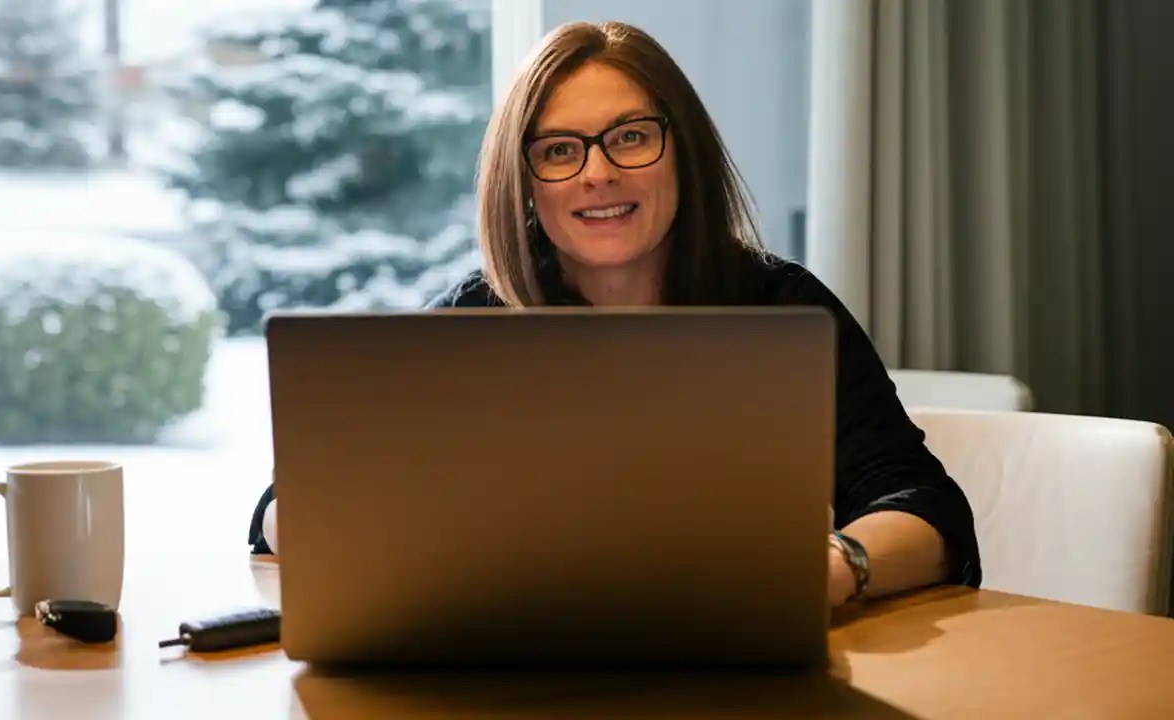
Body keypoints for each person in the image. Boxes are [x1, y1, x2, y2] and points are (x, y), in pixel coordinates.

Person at [247, 20, 982, 609]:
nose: (598, 173)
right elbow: (282, 508)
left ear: (682, 151)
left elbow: (928, 510)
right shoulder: (478, 318)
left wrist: (835, 566)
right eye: (559, 150)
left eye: (630, 137)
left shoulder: (783, 307)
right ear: (524, 181)